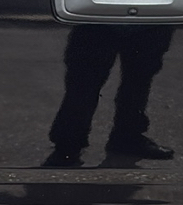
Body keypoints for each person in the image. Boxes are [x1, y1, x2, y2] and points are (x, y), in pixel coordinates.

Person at [45, 25, 175, 167]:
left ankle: (125, 137)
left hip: (122, 17)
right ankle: (69, 144)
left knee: (137, 80)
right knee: (86, 82)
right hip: (122, 17)